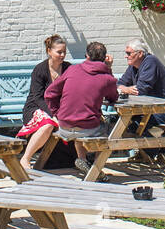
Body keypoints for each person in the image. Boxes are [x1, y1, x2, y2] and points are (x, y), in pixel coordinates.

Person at [45, 41, 119, 176]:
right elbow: (113, 97)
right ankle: (96, 168)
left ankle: (83, 159)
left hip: (64, 126)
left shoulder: (72, 70)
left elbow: (49, 93)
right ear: (104, 58)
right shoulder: (106, 78)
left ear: (87, 55)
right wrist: (108, 68)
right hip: (87, 128)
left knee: (82, 118)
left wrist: (57, 113)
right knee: (110, 129)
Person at [117, 39, 165, 162]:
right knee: (125, 122)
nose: (126, 56)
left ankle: (160, 151)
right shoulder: (133, 66)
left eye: (129, 53)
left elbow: (140, 90)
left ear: (140, 53)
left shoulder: (150, 62)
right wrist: (126, 89)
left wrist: (125, 89)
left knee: (132, 123)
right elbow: (119, 84)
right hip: (148, 109)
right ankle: (150, 152)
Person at [18, 34, 71, 168]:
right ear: (49, 51)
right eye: (59, 52)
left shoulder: (68, 68)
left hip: (59, 109)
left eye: (64, 52)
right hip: (36, 107)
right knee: (48, 124)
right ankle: (25, 158)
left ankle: (79, 159)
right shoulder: (40, 70)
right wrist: (53, 114)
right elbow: (37, 97)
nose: (62, 55)